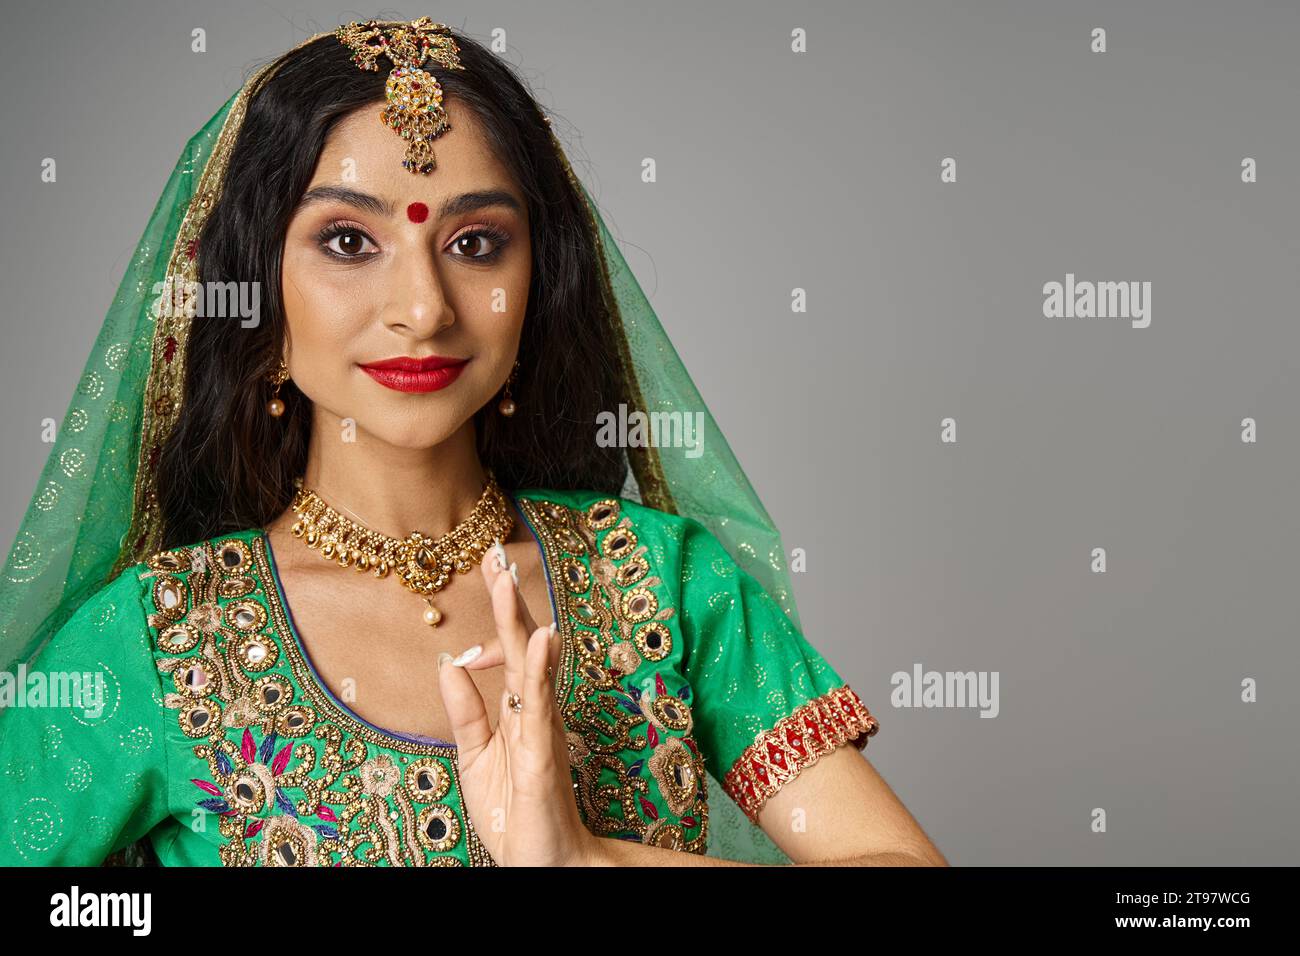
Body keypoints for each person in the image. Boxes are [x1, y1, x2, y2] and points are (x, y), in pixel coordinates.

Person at [0, 17, 945, 867]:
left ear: (541, 280)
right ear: (255, 287)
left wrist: (587, 864)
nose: (423, 309)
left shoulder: (661, 584)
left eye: (476, 243)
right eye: (346, 242)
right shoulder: (161, 639)